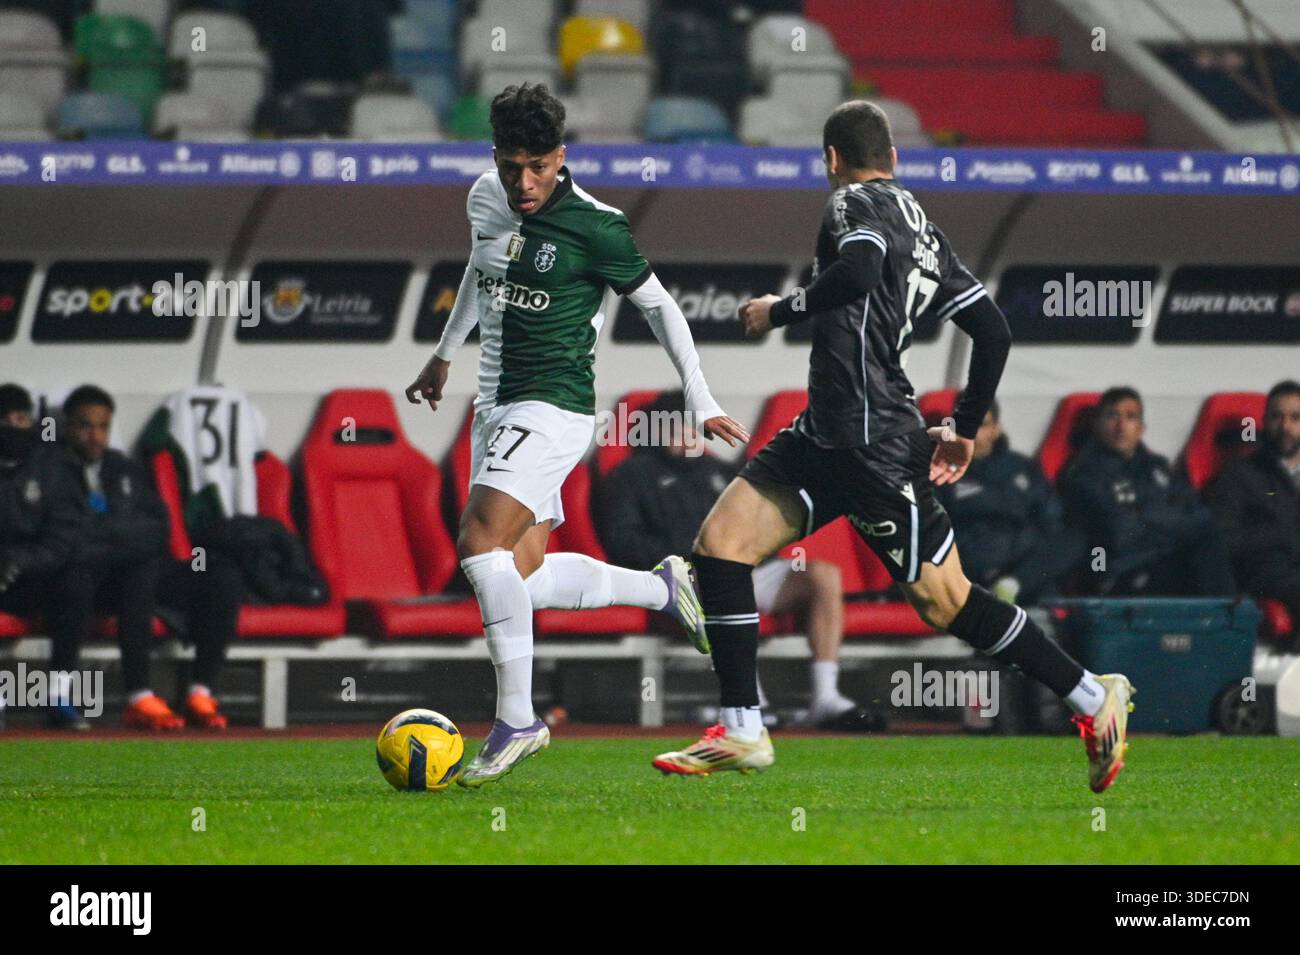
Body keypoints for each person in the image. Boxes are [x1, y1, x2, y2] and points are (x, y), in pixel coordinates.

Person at [653, 101, 1133, 794]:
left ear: (830, 159)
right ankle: (742, 728)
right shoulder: (928, 233)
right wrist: (966, 426)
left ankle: (1091, 696)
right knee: (722, 543)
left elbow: (858, 272)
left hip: (872, 443)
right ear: (896, 159)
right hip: (828, 431)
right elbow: (992, 331)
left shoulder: (850, 202)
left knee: (947, 602)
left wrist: (775, 310)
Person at [404, 83, 746, 788]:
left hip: (555, 405)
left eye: (538, 166)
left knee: (478, 541)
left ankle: (518, 720)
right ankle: (662, 585)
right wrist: (443, 353)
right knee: (520, 580)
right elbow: (479, 267)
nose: (523, 183)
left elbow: (662, 312)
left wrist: (700, 395)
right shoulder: (484, 197)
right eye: (510, 166)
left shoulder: (598, 225)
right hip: (494, 405)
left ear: (561, 157)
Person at [596, 391, 872, 730]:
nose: (689, 435)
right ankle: (749, 700)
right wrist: (693, 555)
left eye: (694, 426)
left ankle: (826, 697)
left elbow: (759, 522)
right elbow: (624, 542)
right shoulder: (631, 476)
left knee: (822, 574)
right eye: (680, 427)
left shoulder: (721, 471)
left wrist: (753, 551)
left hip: (746, 567)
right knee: (718, 578)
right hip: (688, 577)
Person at [59, 385, 239, 729]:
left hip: (146, 565)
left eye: (103, 427)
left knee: (221, 576)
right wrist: (122, 542)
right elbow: (69, 536)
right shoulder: (54, 469)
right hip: (95, 580)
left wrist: (121, 539)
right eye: (85, 426)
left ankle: (200, 692)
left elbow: (159, 526)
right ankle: (138, 695)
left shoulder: (122, 469)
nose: (95, 436)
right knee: (137, 569)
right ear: (67, 427)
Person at [1060, 386, 1235, 598]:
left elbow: (1200, 515)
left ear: (1141, 427)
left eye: (1130, 417)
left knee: (1211, 541)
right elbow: (1118, 532)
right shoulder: (1083, 473)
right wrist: (1166, 516)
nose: (1121, 426)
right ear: (1097, 424)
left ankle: (1225, 623)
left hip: (1163, 560)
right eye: (1112, 416)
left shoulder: (1158, 467)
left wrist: (1142, 513)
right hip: (1119, 572)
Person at [935, 399, 1086, 604]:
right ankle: (1011, 587)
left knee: (1075, 539)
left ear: (996, 429)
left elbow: (1051, 516)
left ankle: (1013, 584)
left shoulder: (1022, 467)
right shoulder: (940, 470)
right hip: (975, 557)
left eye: (981, 424)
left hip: (1024, 557)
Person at [0, 384, 87, 729]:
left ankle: (59, 694)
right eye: (3, 420)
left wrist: (17, 561)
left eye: (19, 419)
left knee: (76, 580)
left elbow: (63, 538)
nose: (11, 427)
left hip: (34, 576)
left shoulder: (53, 466)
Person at [1205, 380, 1300, 640]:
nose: (1286, 427)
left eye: (1295, 418)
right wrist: (1279, 537)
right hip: (1268, 572)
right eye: (1277, 417)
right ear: (1264, 421)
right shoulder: (1241, 474)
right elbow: (1224, 537)